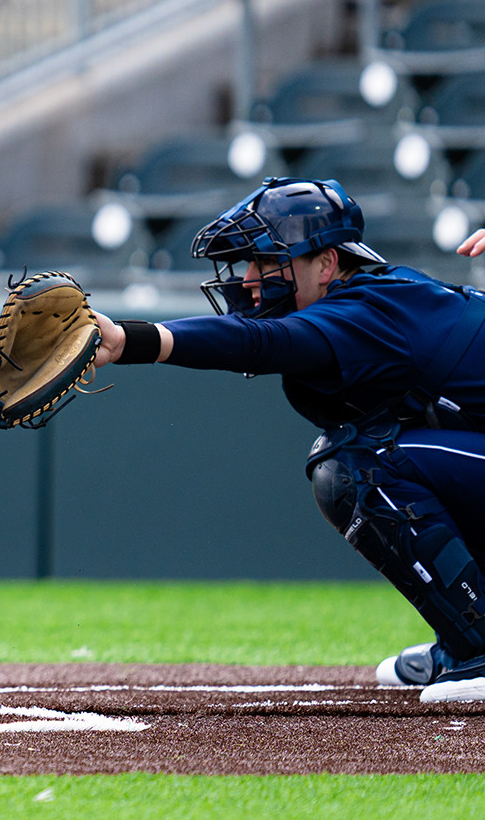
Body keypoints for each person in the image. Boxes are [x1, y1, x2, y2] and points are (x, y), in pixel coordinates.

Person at [91, 177, 485, 703]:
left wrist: (129, 341)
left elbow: (259, 341)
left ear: (326, 263)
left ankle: (479, 643)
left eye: (266, 260)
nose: (251, 278)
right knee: (379, 454)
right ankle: (462, 639)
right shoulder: (373, 301)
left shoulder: (366, 312)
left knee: (359, 467)